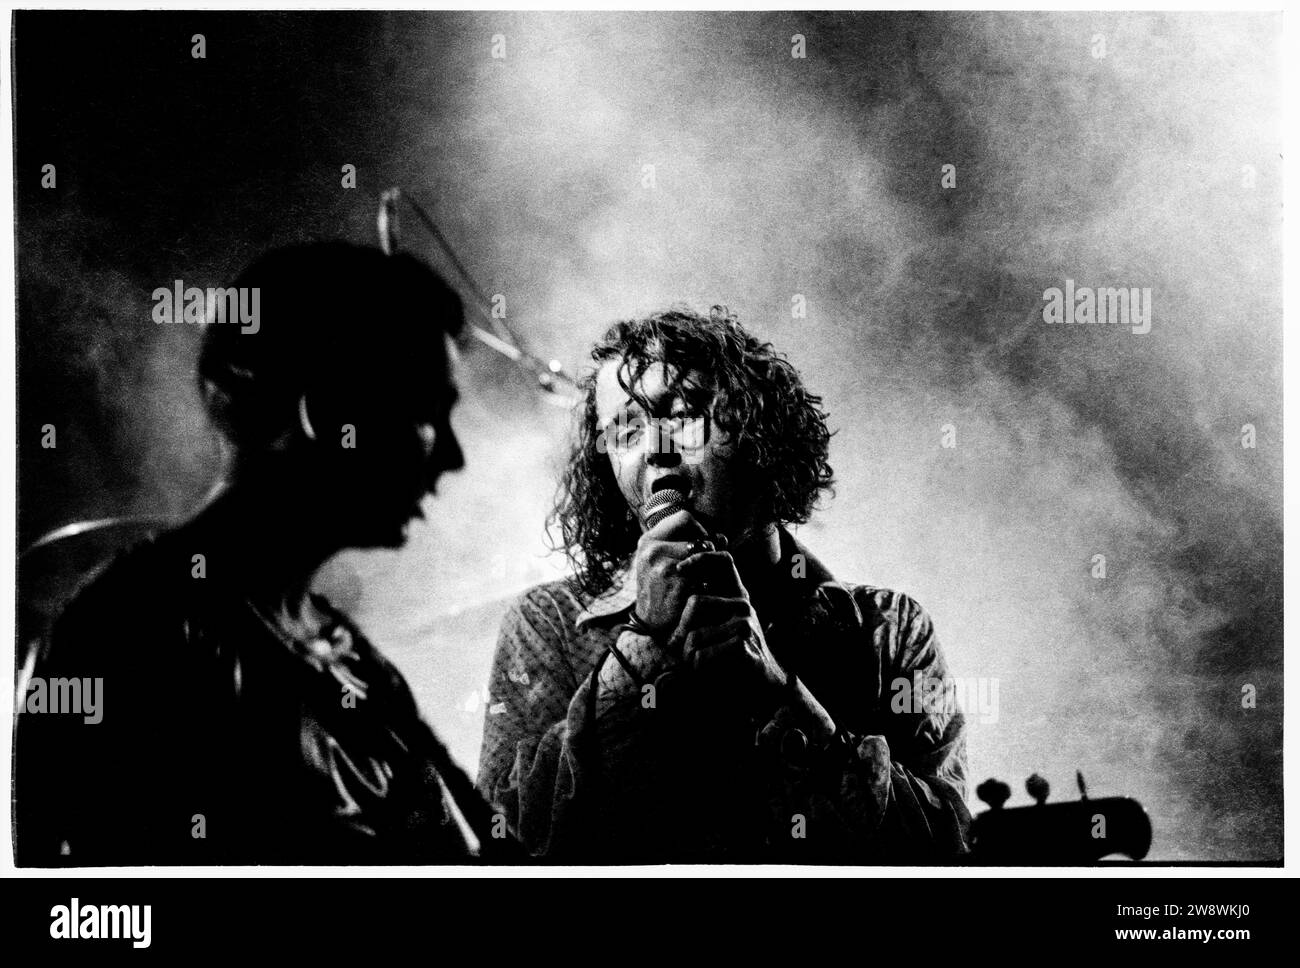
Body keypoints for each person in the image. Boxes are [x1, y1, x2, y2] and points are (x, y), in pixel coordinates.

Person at [15, 241, 515, 865]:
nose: (452, 457)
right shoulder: (133, 630)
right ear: (326, 411)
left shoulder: (354, 660)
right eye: (426, 416)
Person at [477, 306, 971, 863]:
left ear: (764, 433)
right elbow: (505, 845)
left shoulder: (890, 630)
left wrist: (781, 695)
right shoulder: (548, 622)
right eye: (626, 430)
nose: (656, 452)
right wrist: (641, 646)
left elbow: (945, 854)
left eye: (685, 414)